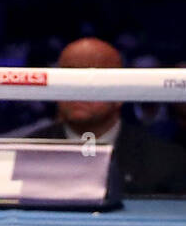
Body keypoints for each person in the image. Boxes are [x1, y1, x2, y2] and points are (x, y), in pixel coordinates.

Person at [29, 37, 186, 196]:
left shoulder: (167, 162)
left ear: (120, 91)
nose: (79, 88)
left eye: (93, 79)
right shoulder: (26, 157)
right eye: (70, 76)